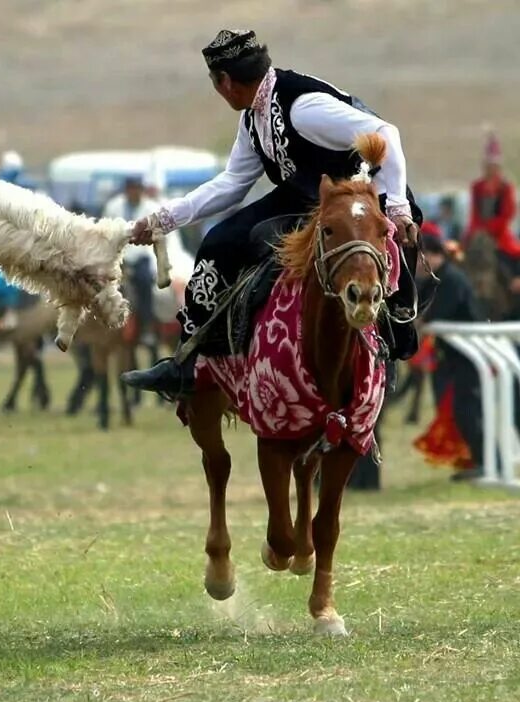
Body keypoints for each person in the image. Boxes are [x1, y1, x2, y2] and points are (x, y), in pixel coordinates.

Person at [121, 29, 422, 396]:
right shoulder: (253, 118)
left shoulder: (302, 107)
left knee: (367, 246)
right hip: (304, 198)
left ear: (225, 82)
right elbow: (232, 184)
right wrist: (163, 220)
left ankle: (397, 327)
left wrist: (398, 207)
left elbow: (385, 133)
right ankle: (189, 363)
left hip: (356, 194)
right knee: (219, 243)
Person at [414, 223, 485, 479]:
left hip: (469, 356)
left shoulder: (452, 279)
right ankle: (472, 461)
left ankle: (484, 462)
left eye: (421, 257)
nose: (418, 264)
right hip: (449, 357)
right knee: (454, 410)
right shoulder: (431, 280)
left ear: (435, 255)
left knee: (467, 409)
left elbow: (431, 316)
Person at [101, 176, 161, 352]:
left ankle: (147, 328)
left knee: (144, 281)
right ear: (126, 190)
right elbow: (106, 233)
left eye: (137, 189)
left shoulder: (151, 208)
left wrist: (133, 262)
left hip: (141, 256)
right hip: (118, 257)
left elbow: (155, 236)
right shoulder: (113, 207)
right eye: (131, 189)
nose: (134, 192)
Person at [463, 131, 520, 263]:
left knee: (510, 257)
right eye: (488, 167)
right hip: (479, 230)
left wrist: (490, 229)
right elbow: (475, 214)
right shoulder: (477, 187)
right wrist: (476, 232)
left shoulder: (505, 187)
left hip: (499, 233)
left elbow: (507, 214)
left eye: (494, 167)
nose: (491, 170)